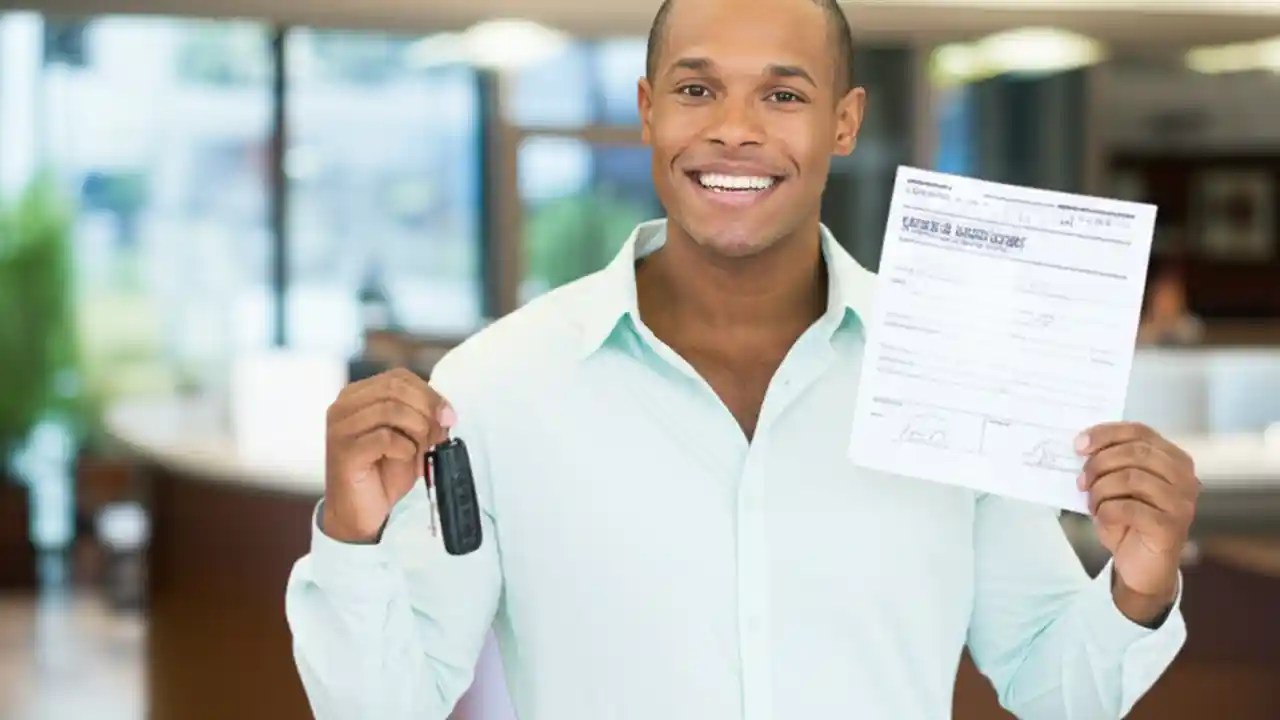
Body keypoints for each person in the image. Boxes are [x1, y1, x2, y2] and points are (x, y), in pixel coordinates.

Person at [285, 0, 1199, 717]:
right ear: (647, 110)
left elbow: (1053, 685)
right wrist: (352, 537)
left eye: (783, 94)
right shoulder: (494, 388)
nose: (734, 129)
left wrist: (1140, 583)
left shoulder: (956, 366)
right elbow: (386, 704)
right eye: (695, 89)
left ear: (843, 124)